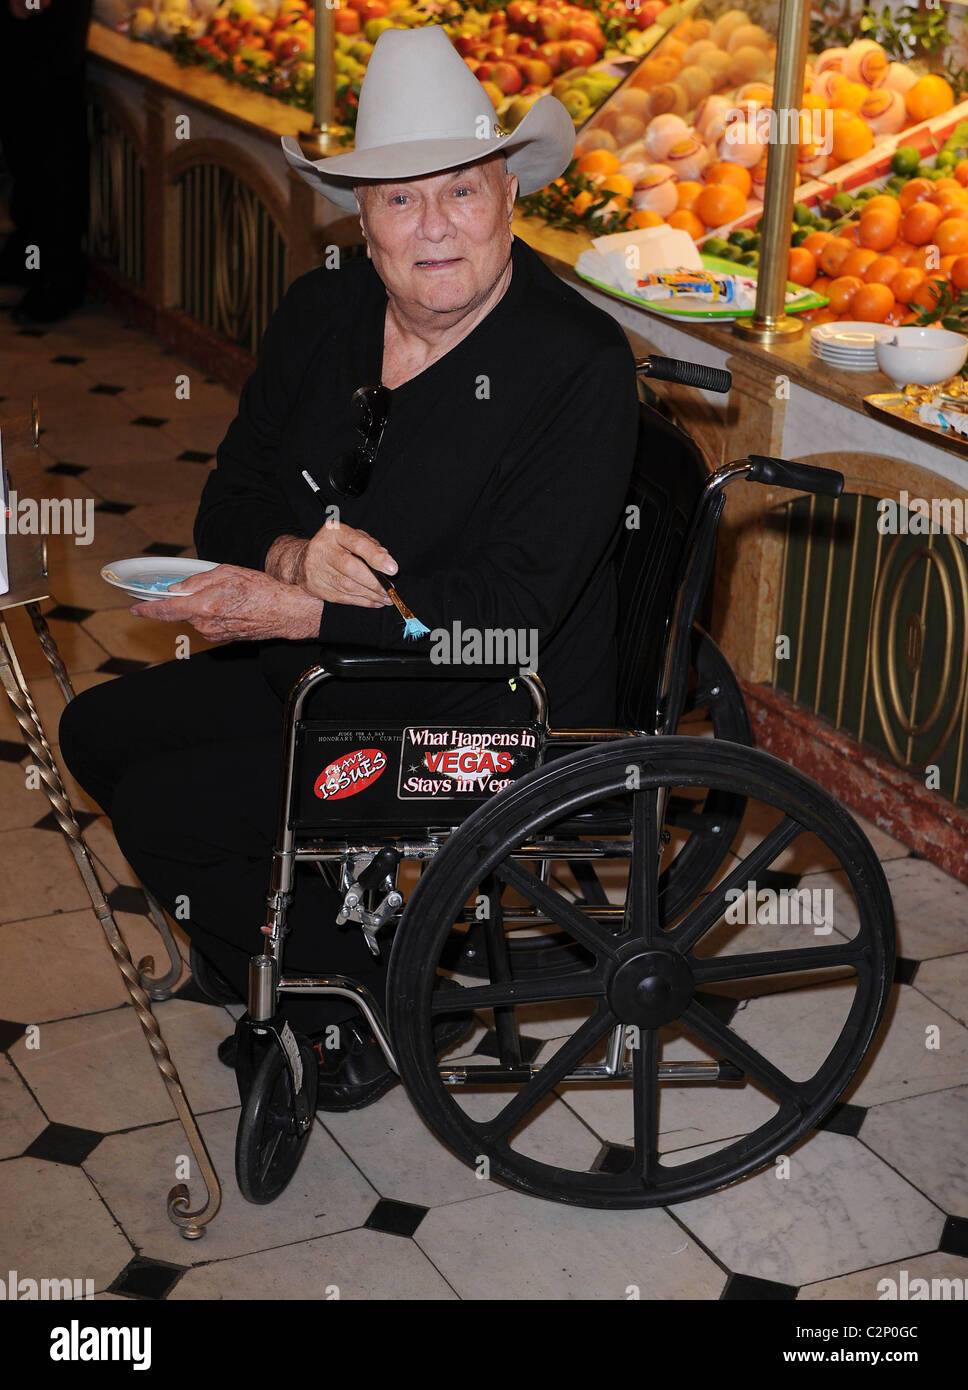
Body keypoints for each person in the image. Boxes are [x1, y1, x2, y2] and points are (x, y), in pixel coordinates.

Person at [59, 26, 640, 1110]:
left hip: (484, 709)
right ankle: (307, 955)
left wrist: (297, 608)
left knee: (179, 811)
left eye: (459, 192)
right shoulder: (323, 310)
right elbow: (229, 496)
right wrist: (290, 556)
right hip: (336, 669)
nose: (433, 231)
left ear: (509, 191)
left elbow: (508, 615)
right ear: (359, 213)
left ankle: (356, 1005)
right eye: (399, 200)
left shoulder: (574, 366)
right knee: (96, 732)